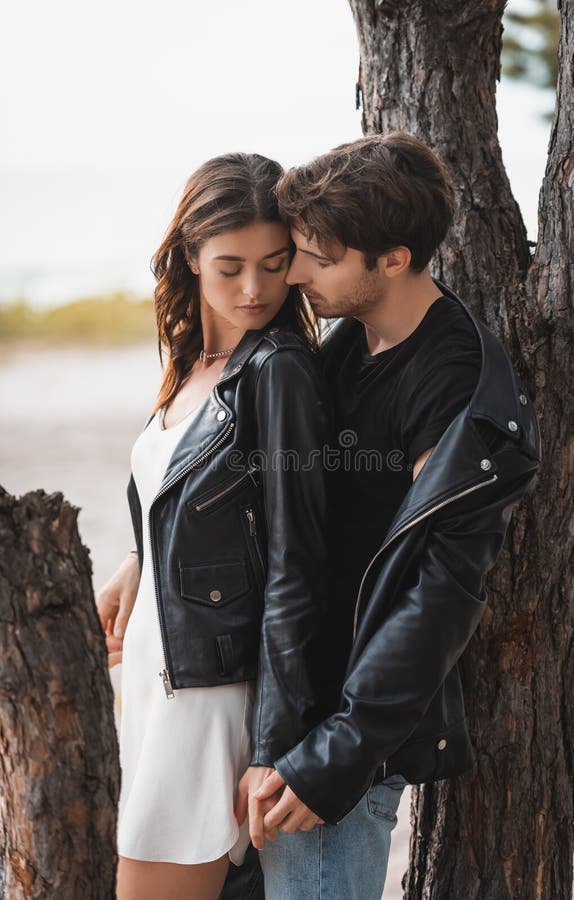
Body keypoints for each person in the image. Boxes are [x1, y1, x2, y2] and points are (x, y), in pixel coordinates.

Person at [246, 132, 542, 900]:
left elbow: (440, 590)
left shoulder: (451, 383)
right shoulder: (348, 342)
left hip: (339, 738)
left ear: (393, 260)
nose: (295, 274)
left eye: (318, 259)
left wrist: (339, 753)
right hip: (289, 705)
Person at [95, 152, 329, 900]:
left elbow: (296, 559)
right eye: (230, 267)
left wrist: (271, 746)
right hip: (153, 680)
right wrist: (141, 560)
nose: (254, 289)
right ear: (190, 256)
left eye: (273, 265)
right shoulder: (195, 361)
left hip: (206, 698)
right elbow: (193, 496)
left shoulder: (278, 369)